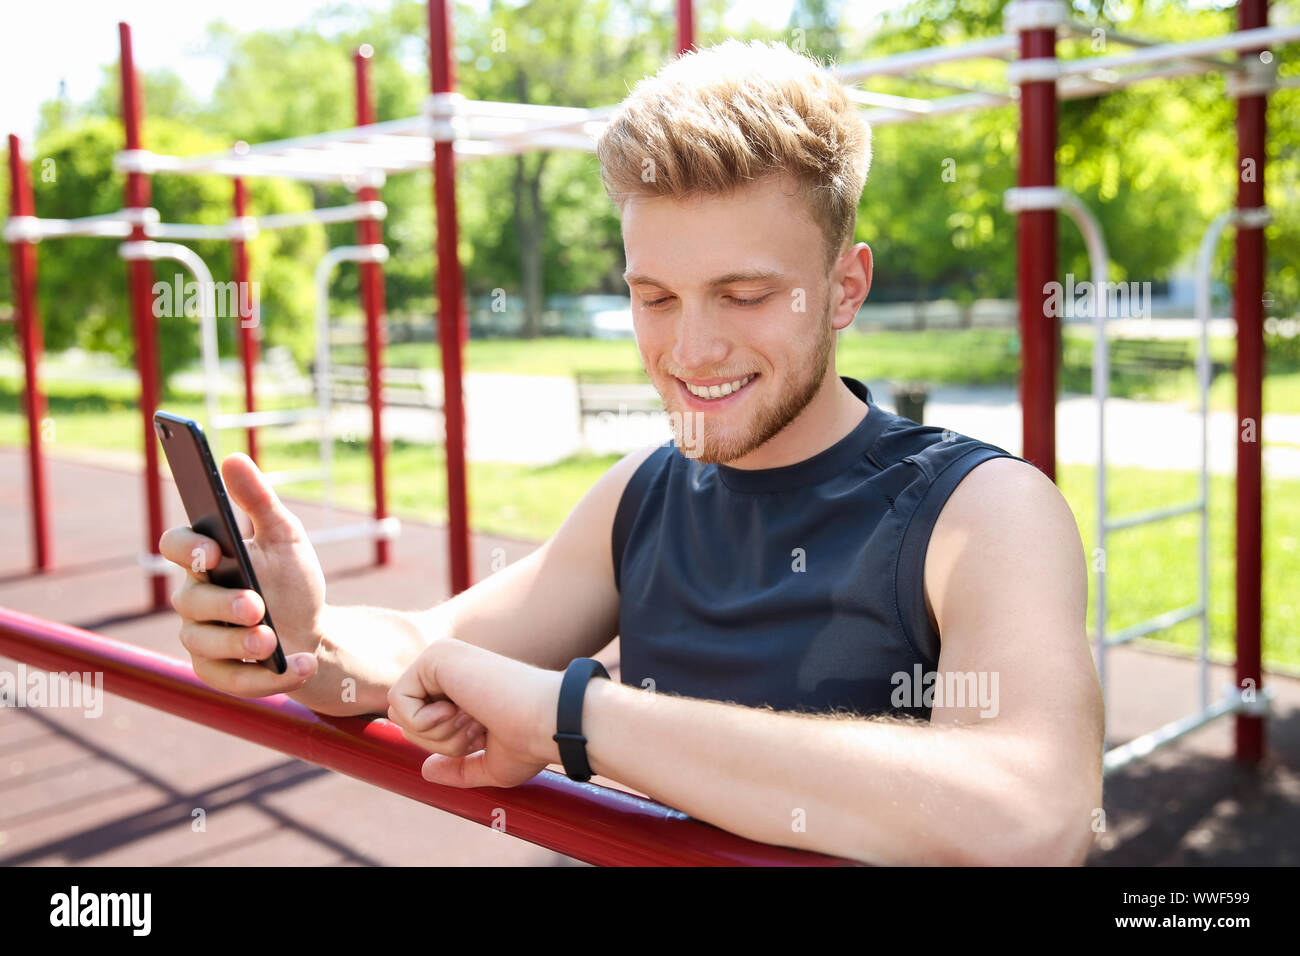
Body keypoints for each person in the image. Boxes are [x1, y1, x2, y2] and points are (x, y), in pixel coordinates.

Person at [160, 38, 1103, 866]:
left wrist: (576, 721)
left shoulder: (982, 510)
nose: (691, 352)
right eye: (655, 298)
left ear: (845, 286)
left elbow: (1029, 819)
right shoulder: (647, 492)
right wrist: (295, 640)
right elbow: (422, 650)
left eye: (743, 295)